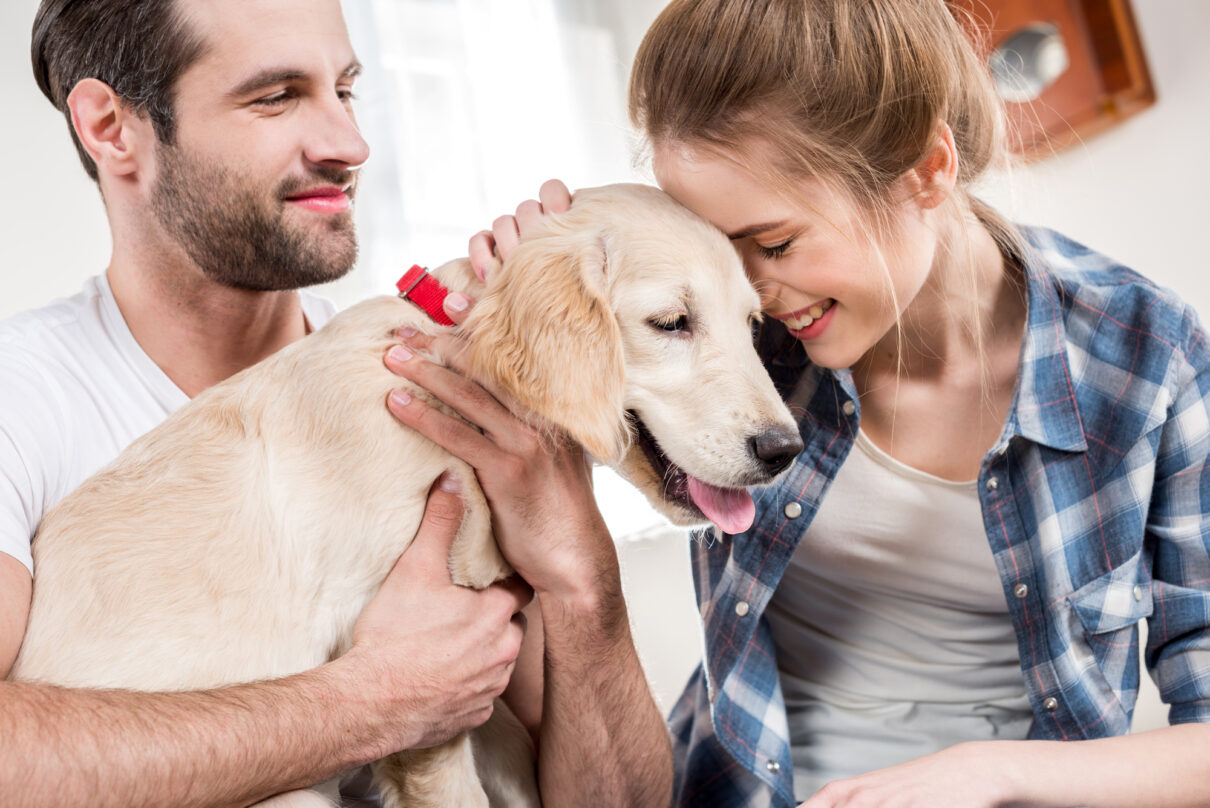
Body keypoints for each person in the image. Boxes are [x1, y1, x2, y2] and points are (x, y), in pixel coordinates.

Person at [448, 1, 1210, 806]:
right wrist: (539, 305)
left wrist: (991, 775)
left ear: (926, 170)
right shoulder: (742, 343)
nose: (754, 291)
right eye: (715, 244)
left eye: (773, 244)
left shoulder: (1142, 357)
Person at [1, 0, 670, 805]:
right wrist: (374, 702)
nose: (348, 145)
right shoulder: (24, 399)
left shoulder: (438, 394)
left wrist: (580, 571)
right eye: (275, 97)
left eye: (345, 91)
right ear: (111, 127)